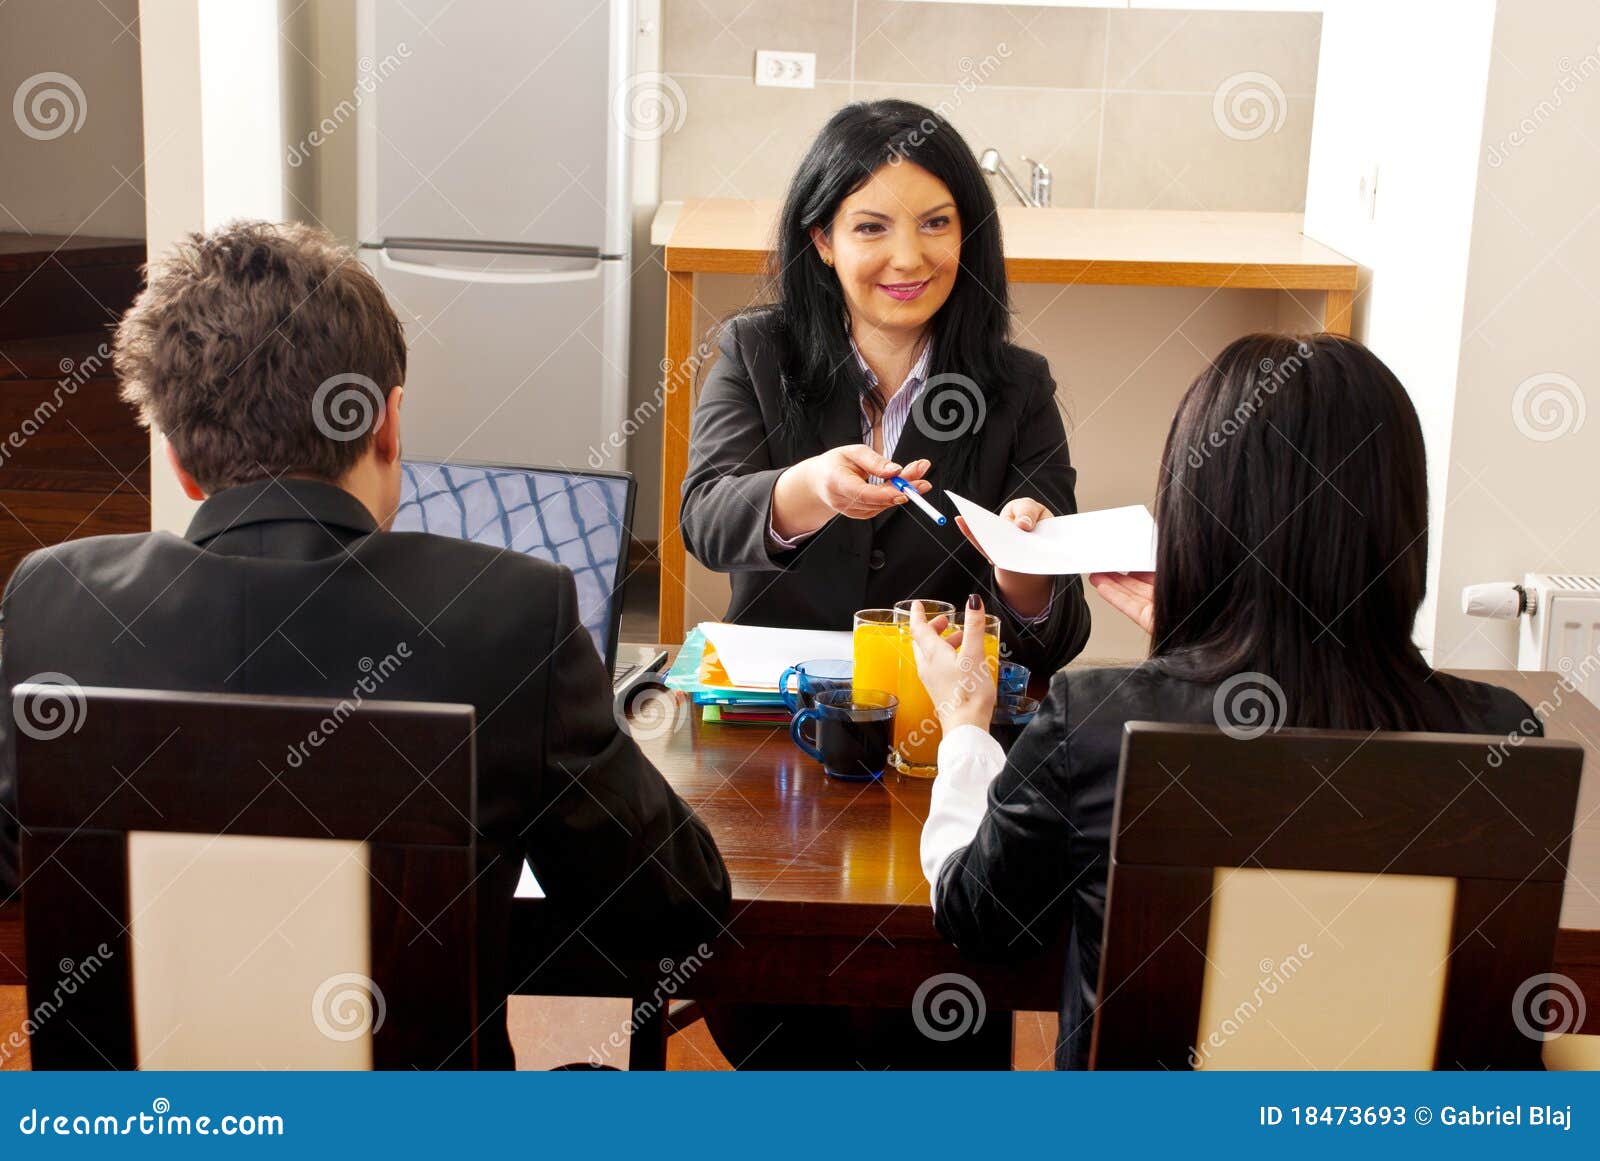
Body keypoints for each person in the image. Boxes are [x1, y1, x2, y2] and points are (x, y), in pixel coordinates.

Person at [0, 221, 730, 1068]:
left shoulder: (56, 600)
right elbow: (673, 906)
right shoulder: (507, 612)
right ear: (386, 425)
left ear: (177, 461)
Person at [909, 332, 1543, 1070]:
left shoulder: (1101, 721)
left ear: (1196, 510)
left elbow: (981, 918)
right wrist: (1203, 651)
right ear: (1401, 518)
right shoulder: (1503, 735)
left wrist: (962, 725)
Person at [679, 99, 1090, 675]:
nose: (908, 258)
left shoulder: (1019, 387)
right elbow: (705, 526)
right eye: (871, 227)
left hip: (941, 716)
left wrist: (1023, 565)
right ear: (823, 240)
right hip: (777, 705)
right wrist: (812, 489)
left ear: (968, 235)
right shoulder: (756, 351)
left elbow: (1057, 643)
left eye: (936, 223)